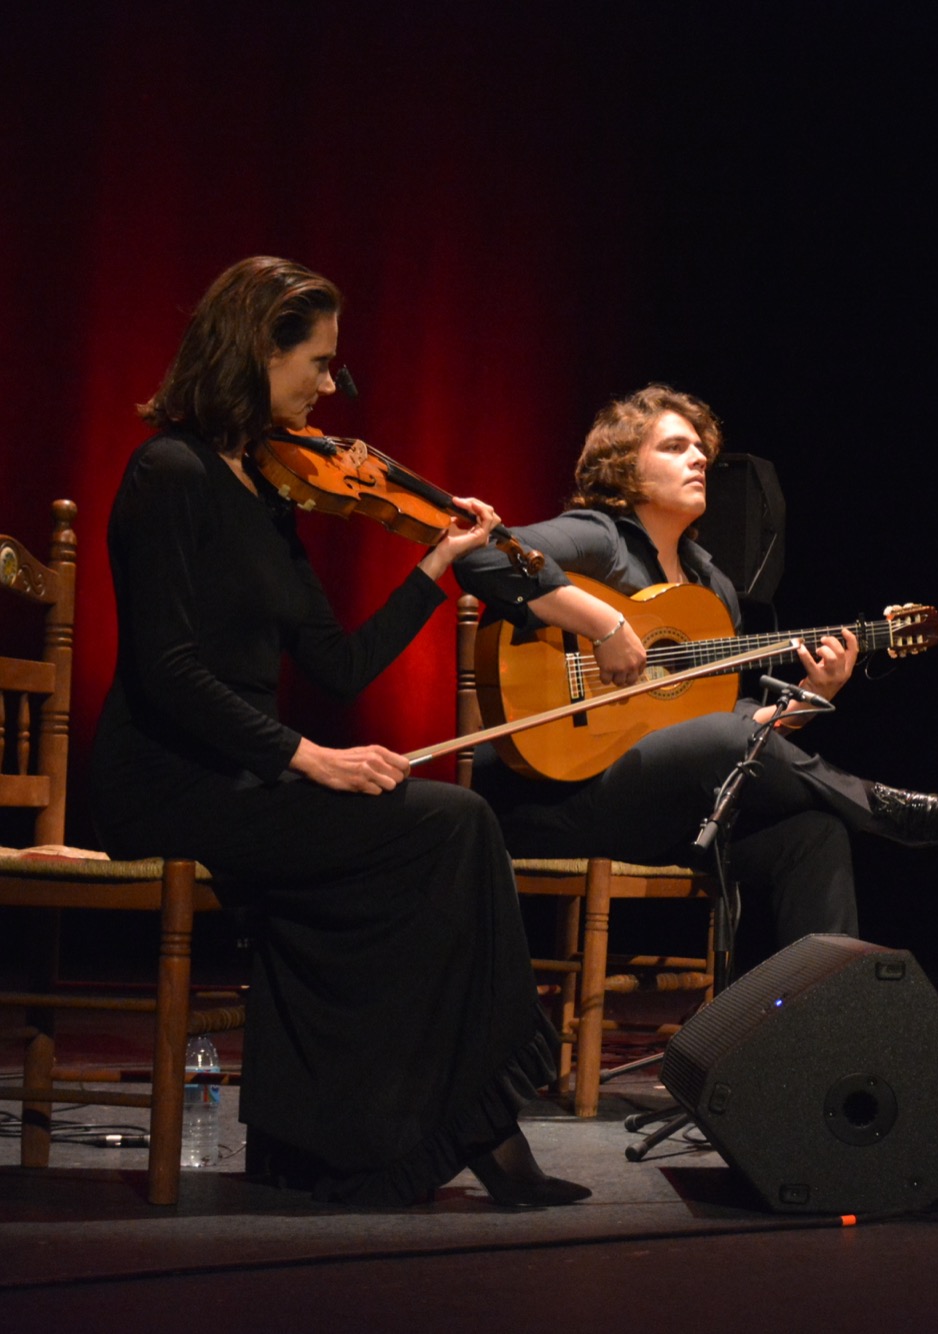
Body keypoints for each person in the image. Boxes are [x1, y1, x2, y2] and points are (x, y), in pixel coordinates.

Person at [90, 256, 586, 1207]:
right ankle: (471, 1129)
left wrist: (437, 562)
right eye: (316, 362)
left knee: (437, 830)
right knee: (449, 827)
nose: (329, 387)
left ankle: (324, 1141)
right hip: (166, 784)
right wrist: (308, 757)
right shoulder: (167, 473)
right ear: (253, 352)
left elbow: (339, 666)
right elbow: (169, 669)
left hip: (246, 781)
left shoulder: (267, 491)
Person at [453, 384, 938, 956]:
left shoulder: (712, 586)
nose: (699, 458)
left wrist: (800, 702)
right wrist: (606, 625)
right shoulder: (601, 539)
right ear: (625, 467)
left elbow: (715, 718)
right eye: (674, 447)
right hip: (552, 800)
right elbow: (480, 554)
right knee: (728, 740)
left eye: (700, 449)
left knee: (815, 834)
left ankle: (819, 1033)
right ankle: (872, 803)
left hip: (660, 812)